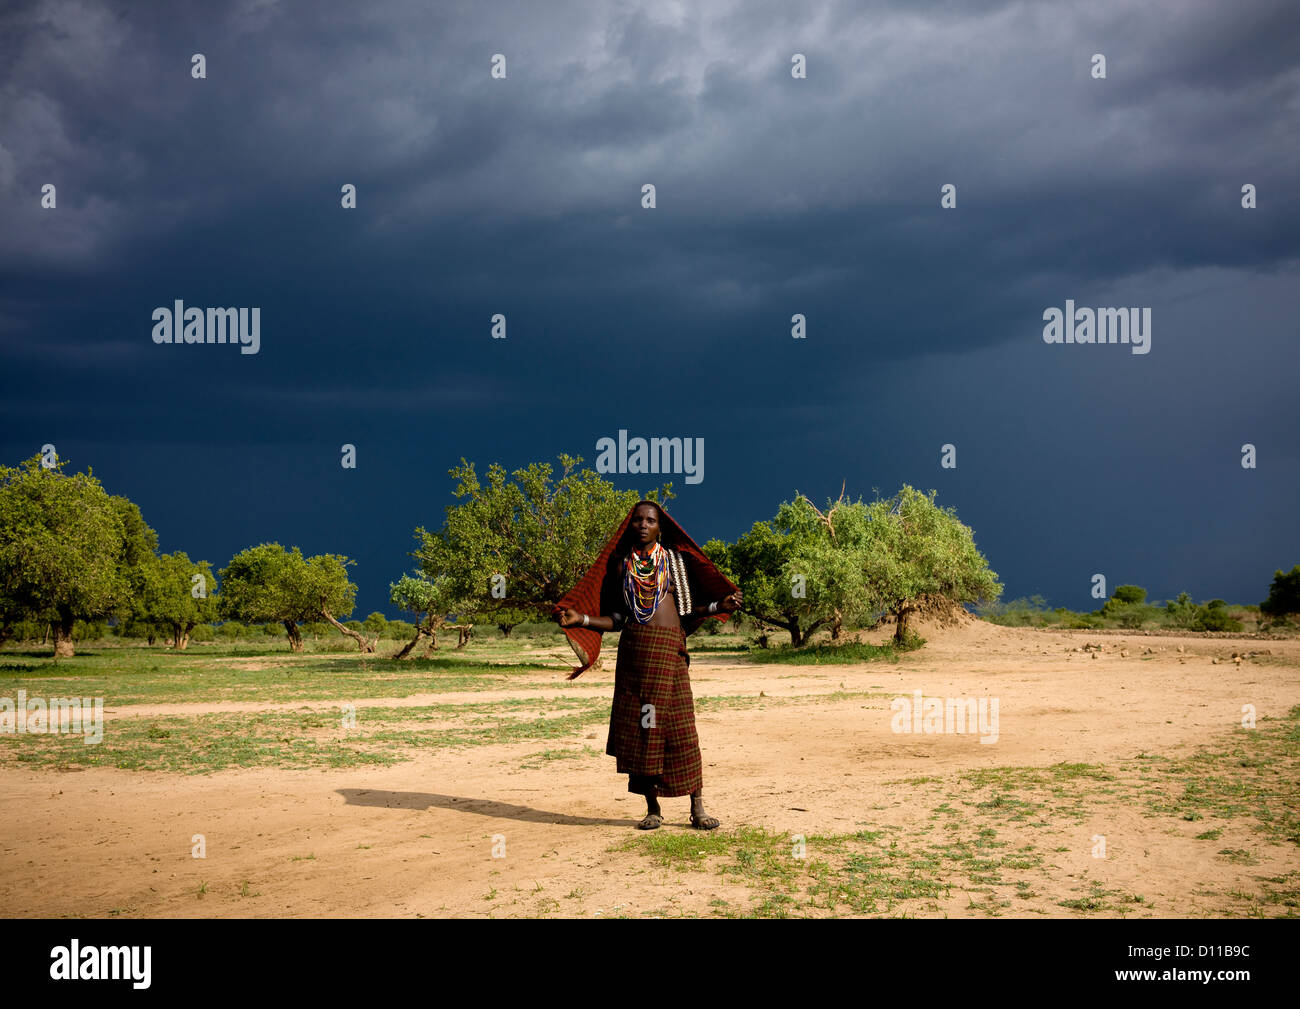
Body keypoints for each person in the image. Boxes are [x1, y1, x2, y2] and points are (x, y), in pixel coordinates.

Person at [554, 501, 742, 830]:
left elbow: (687, 610)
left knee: (683, 729)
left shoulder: (673, 561)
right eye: (638, 519)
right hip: (636, 653)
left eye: (650, 520)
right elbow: (616, 618)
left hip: (670, 650)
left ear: (660, 527)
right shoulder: (620, 565)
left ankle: (697, 806)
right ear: (631, 525)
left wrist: (717, 605)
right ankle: (652, 808)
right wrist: (580, 618)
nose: (643, 524)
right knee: (645, 730)